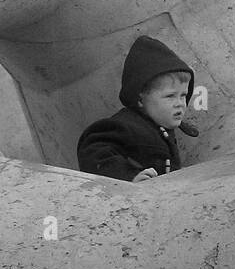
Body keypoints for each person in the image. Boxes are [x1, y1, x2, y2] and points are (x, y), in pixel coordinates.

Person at [76, 35, 199, 181]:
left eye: (183, 95)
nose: (180, 103)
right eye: (170, 96)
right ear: (140, 99)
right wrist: (129, 175)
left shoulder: (160, 125)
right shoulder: (125, 125)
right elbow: (93, 152)